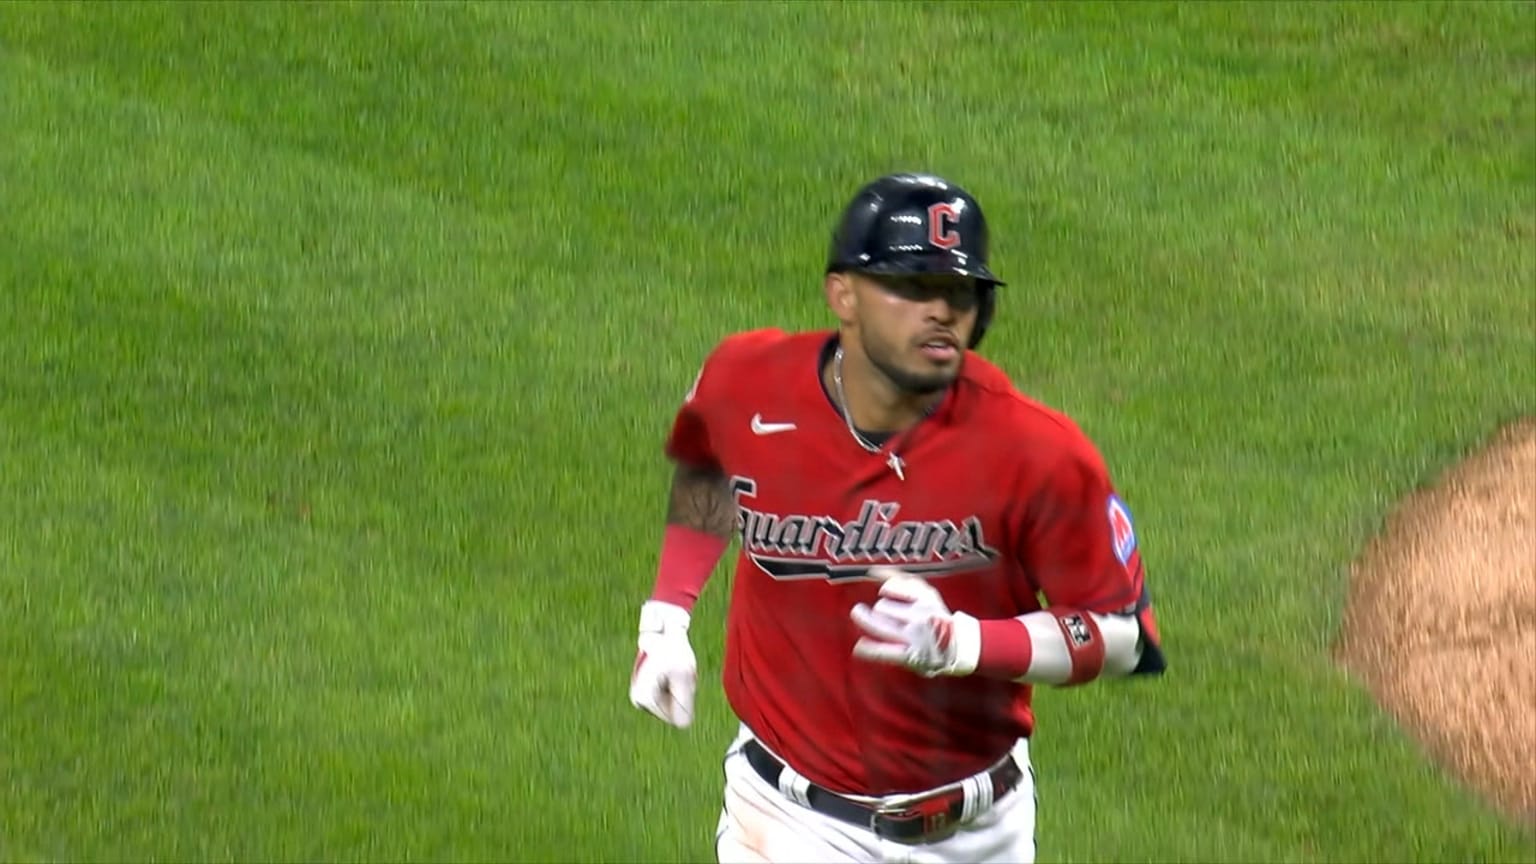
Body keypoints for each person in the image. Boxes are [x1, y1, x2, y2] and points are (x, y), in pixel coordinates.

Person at [628, 172, 1166, 864]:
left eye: (959, 293)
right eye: (912, 289)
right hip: (787, 824)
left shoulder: (1037, 452)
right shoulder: (747, 381)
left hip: (976, 835)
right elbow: (708, 460)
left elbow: (1124, 636)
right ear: (842, 294)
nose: (940, 311)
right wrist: (666, 618)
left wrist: (964, 643)